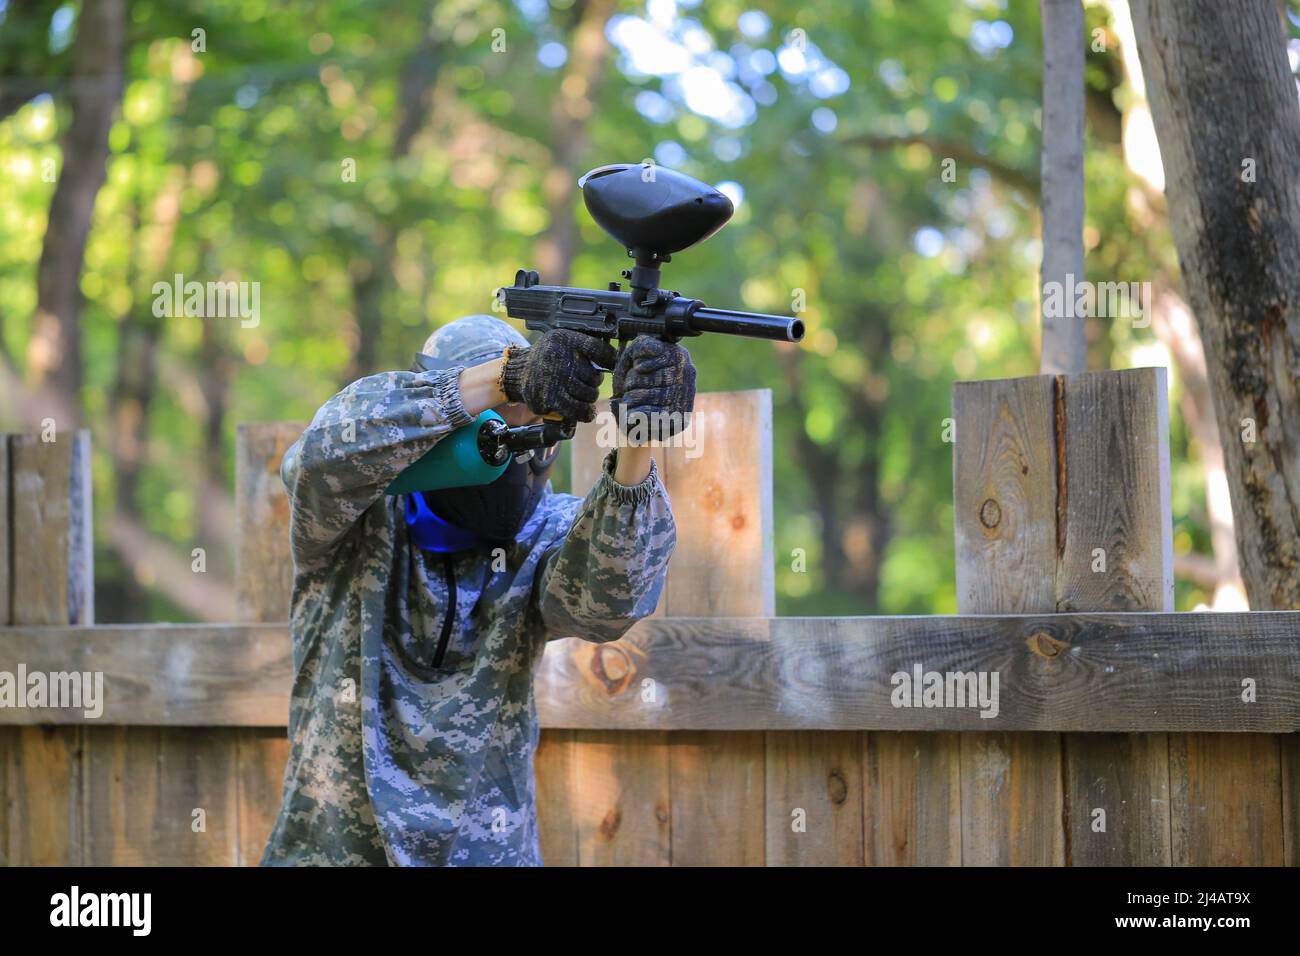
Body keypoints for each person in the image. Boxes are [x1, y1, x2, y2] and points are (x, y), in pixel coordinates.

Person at [261, 313, 695, 866]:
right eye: (500, 418)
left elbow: (607, 605)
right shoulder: (358, 519)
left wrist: (638, 441)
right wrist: (511, 378)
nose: (521, 443)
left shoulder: (545, 534)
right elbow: (317, 458)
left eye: (536, 423)